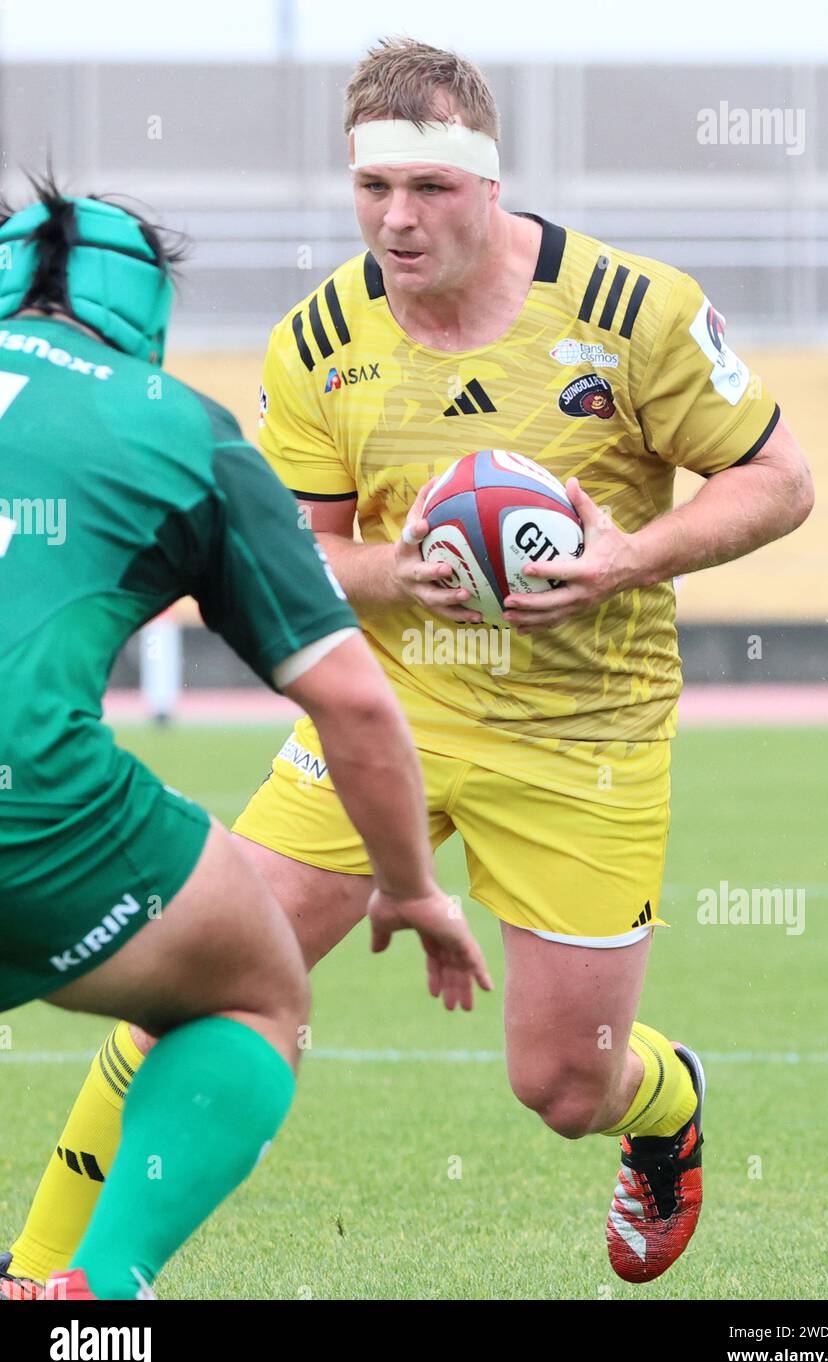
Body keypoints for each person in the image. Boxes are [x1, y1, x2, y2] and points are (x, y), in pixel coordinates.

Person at [5, 35, 814, 1294]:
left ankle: (665, 1102)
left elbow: (782, 481)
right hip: (385, 711)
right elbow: (305, 558)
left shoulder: (632, 313)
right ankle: (45, 1275)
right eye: (374, 188)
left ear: (490, 184)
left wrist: (626, 557)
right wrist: (403, 573)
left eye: (430, 188)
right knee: (193, 974)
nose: (399, 217)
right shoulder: (322, 339)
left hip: (584, 736)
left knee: (563, 1082)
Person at [0, 175, 489, 1301]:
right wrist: (411, 888)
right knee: (253, 991)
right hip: (33, 815)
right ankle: (97, 1295)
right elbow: (358, 705)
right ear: (145, 310)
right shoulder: (183, 433)